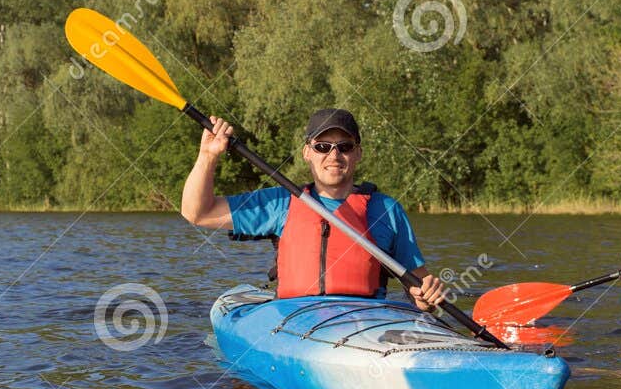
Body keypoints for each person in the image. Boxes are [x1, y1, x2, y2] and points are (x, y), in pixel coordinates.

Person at [180, 107, 448, 310]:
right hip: (296, 318)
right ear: (306, 152)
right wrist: (208, 155)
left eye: (344, 147)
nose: (334, 156)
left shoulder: (386, 210)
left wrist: (425, 296)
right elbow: (197, 213)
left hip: (365, 320)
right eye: (322, 147)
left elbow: (420, 289)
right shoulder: (280, 203)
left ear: (358, 153)